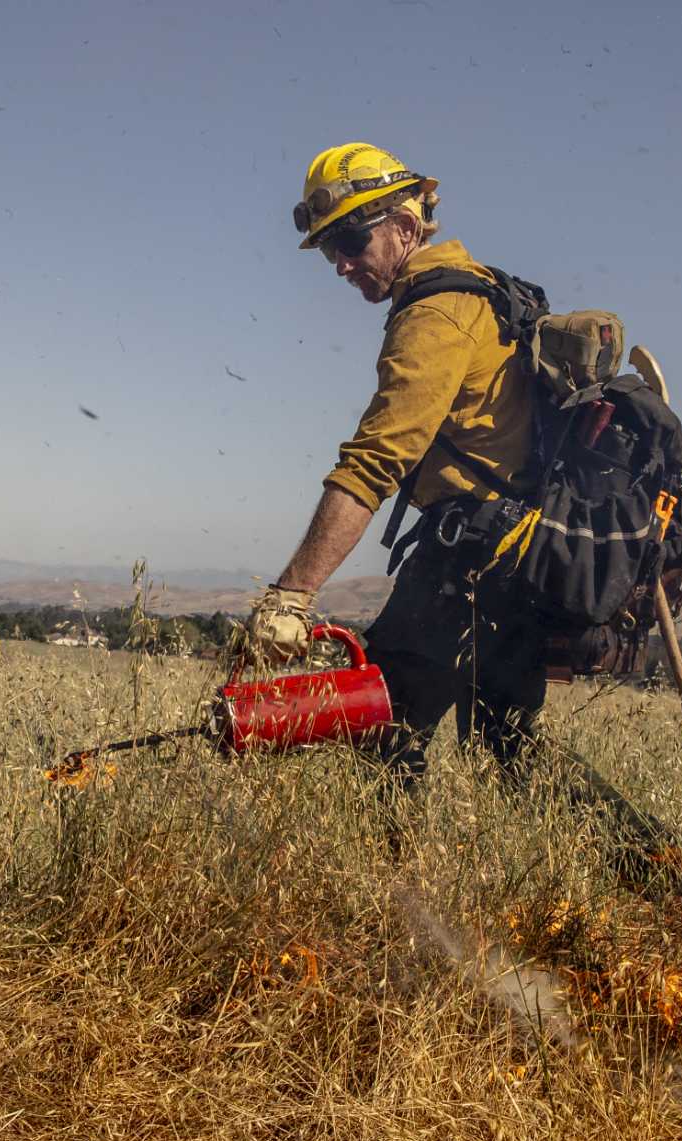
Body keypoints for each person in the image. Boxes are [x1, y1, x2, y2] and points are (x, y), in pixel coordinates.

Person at [244, 142, 541, 784]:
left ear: (407, 227)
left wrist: (292, 594)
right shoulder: (477, 291)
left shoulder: (434, 313)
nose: (342, 263)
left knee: (380, 729)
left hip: (472, 554)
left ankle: (390, 882)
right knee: (510, 752)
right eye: (329, 249)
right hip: (519, 554)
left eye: (352, 239)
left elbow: (376, 459)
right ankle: (654, 873)